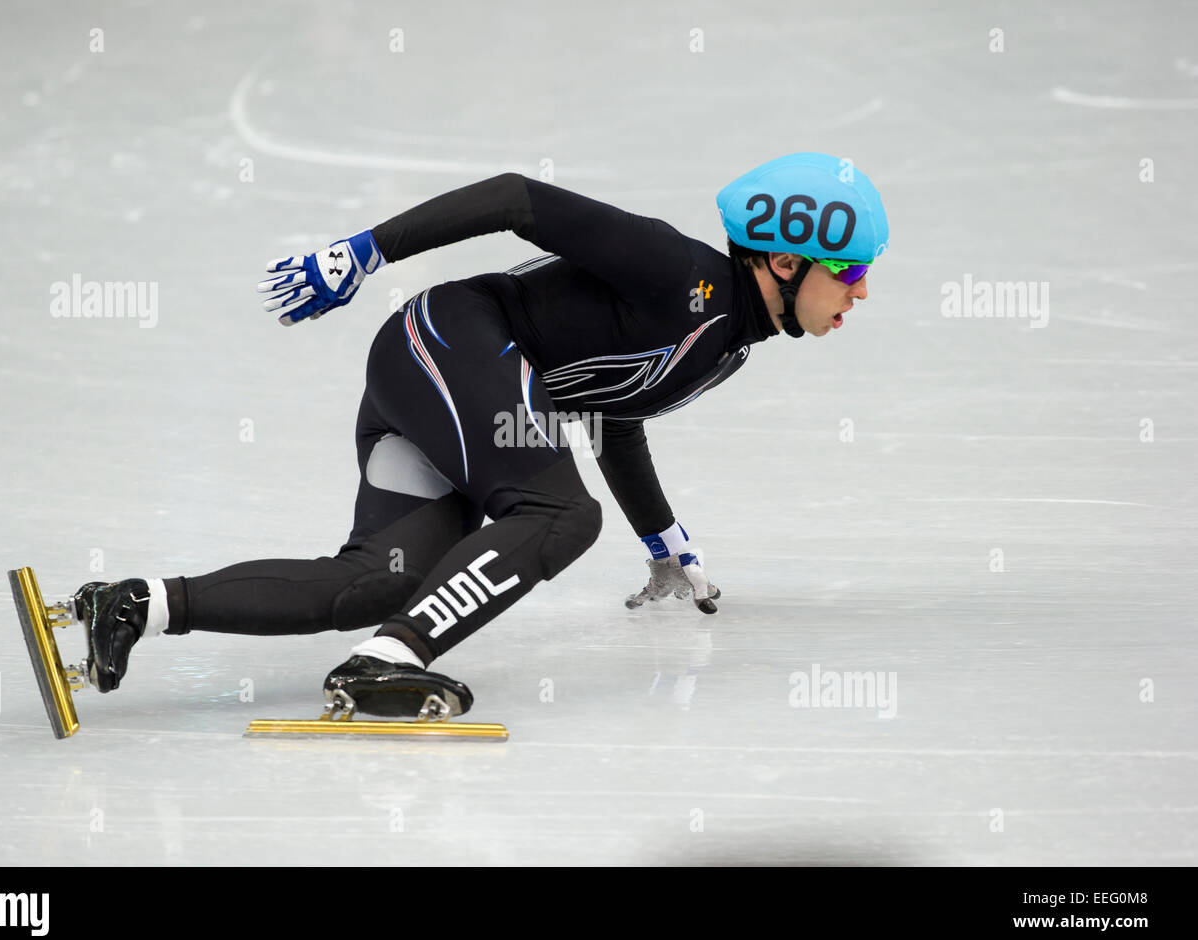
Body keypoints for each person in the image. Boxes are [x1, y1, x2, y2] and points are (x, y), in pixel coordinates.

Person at [72, 151, 889, 719]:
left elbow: (615, 418)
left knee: (377, 584)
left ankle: (135, 605)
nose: (858, 296)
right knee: (562, 513)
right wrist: (364, 252)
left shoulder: (728, 346)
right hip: (451, 343)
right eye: (849, 274)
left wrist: (665, 538)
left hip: (452, 386)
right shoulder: (684, 274)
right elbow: (516, 198)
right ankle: (388, 664)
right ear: (786, 262)